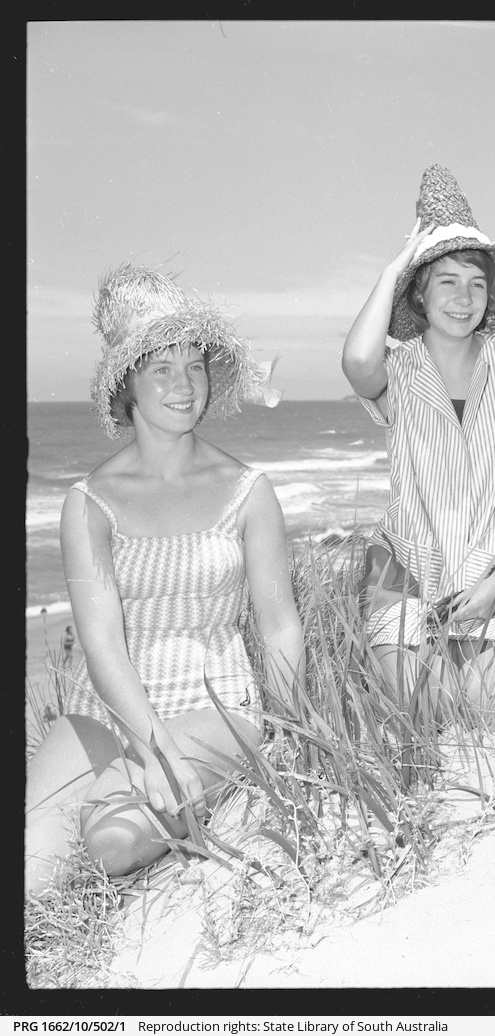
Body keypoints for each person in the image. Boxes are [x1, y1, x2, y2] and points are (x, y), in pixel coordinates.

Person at [25, 263, 304, 895]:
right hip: (109, 710)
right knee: (33, 870)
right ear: (127, 384)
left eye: (195, 365)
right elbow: (101, 646)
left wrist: (288, 729)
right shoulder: (89, 501)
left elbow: (279, 621)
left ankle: (173, 810)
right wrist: (152, 745)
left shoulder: (247, 491)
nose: (184, 384)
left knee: (111, 837)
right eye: (161, 367)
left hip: (216, 703)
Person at [342, 165, 495, 715]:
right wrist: (397, 265)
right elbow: (357, 360)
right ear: (419, 295)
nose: (463, 297)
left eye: (476, 283)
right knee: (423, 712)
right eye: (445, 281)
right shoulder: (398, 371)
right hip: (408, 574)